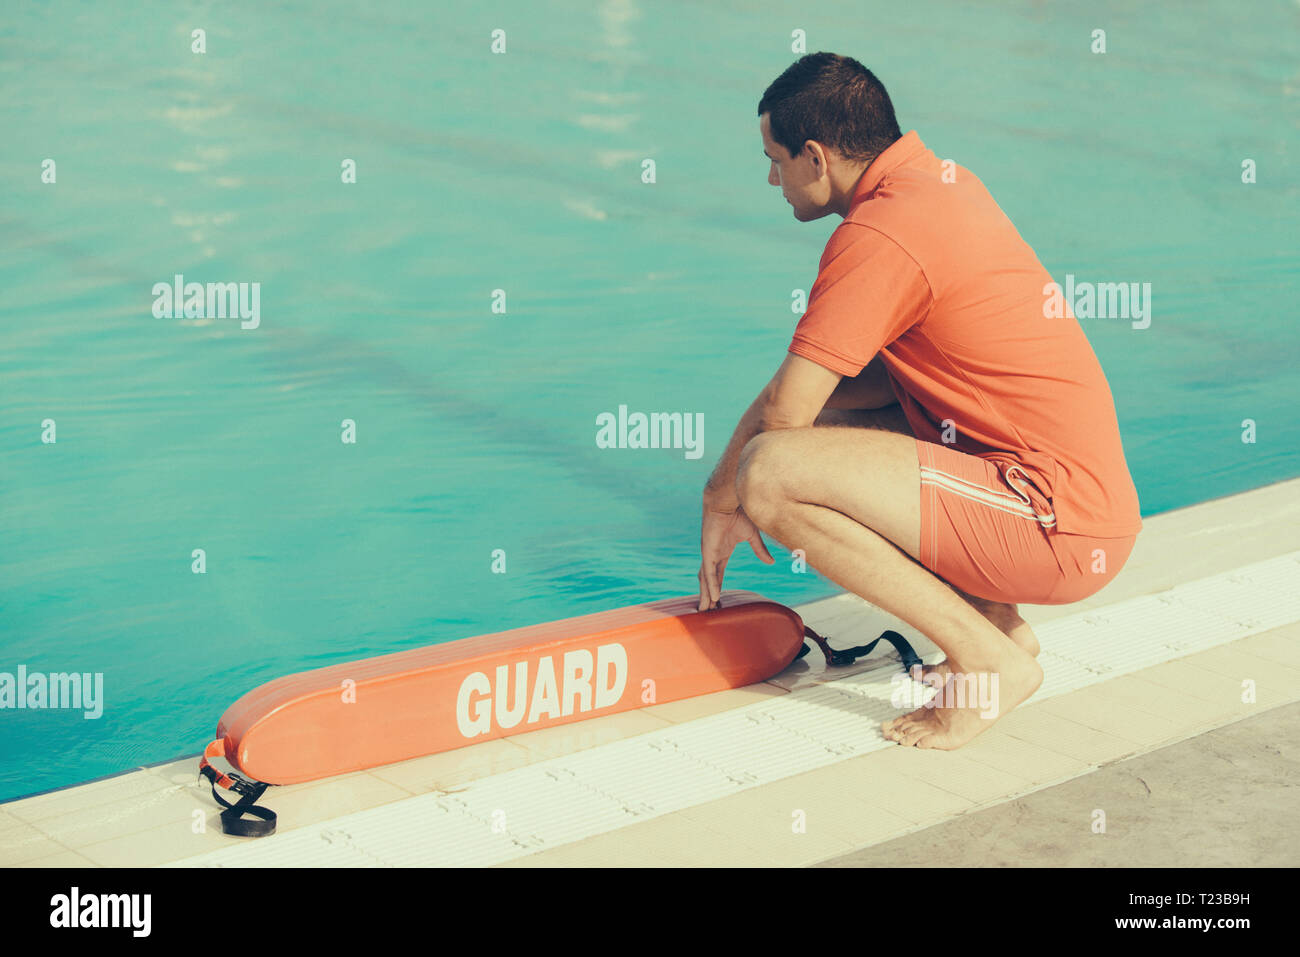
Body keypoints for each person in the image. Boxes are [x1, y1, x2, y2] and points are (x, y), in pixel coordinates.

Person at [697, 52, 1143, 750]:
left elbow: (786, 420)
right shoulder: (939, 185)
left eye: (775, 159)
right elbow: (835, 391)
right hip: (1061, 502)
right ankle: (996, 625)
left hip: (1057, 519)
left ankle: (986, 660)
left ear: (815, 158)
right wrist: (718, 493)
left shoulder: (880, 232)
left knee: (774, 474)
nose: (771, 178)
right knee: (849, 427)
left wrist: (732, 488)